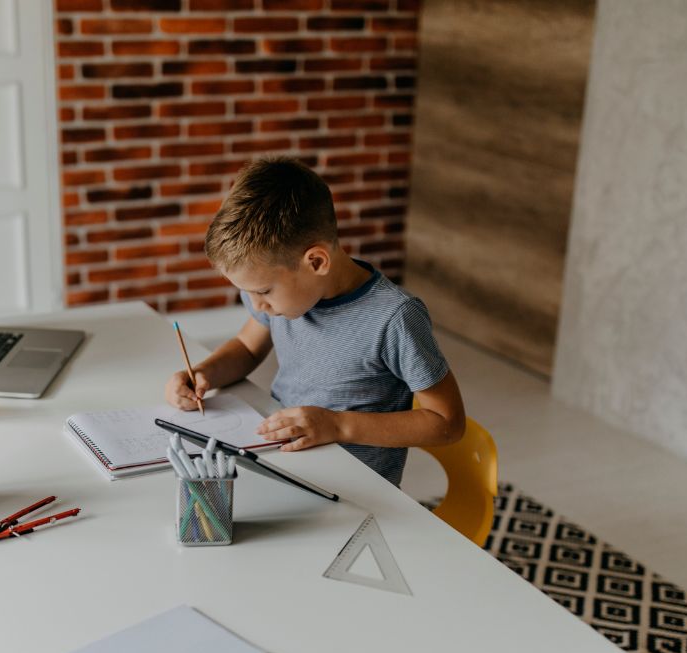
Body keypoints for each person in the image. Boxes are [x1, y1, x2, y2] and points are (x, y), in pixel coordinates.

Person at [164, 156, 465, 486]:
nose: (257, 305)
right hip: (286, 466)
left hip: (358, 490)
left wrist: (337, 426)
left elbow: (446, 422)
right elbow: (247, 349)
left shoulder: (394, 317)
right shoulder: (283, 301)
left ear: (317, 261)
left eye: (263, 290)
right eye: (247, 293)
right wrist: (204, 374)